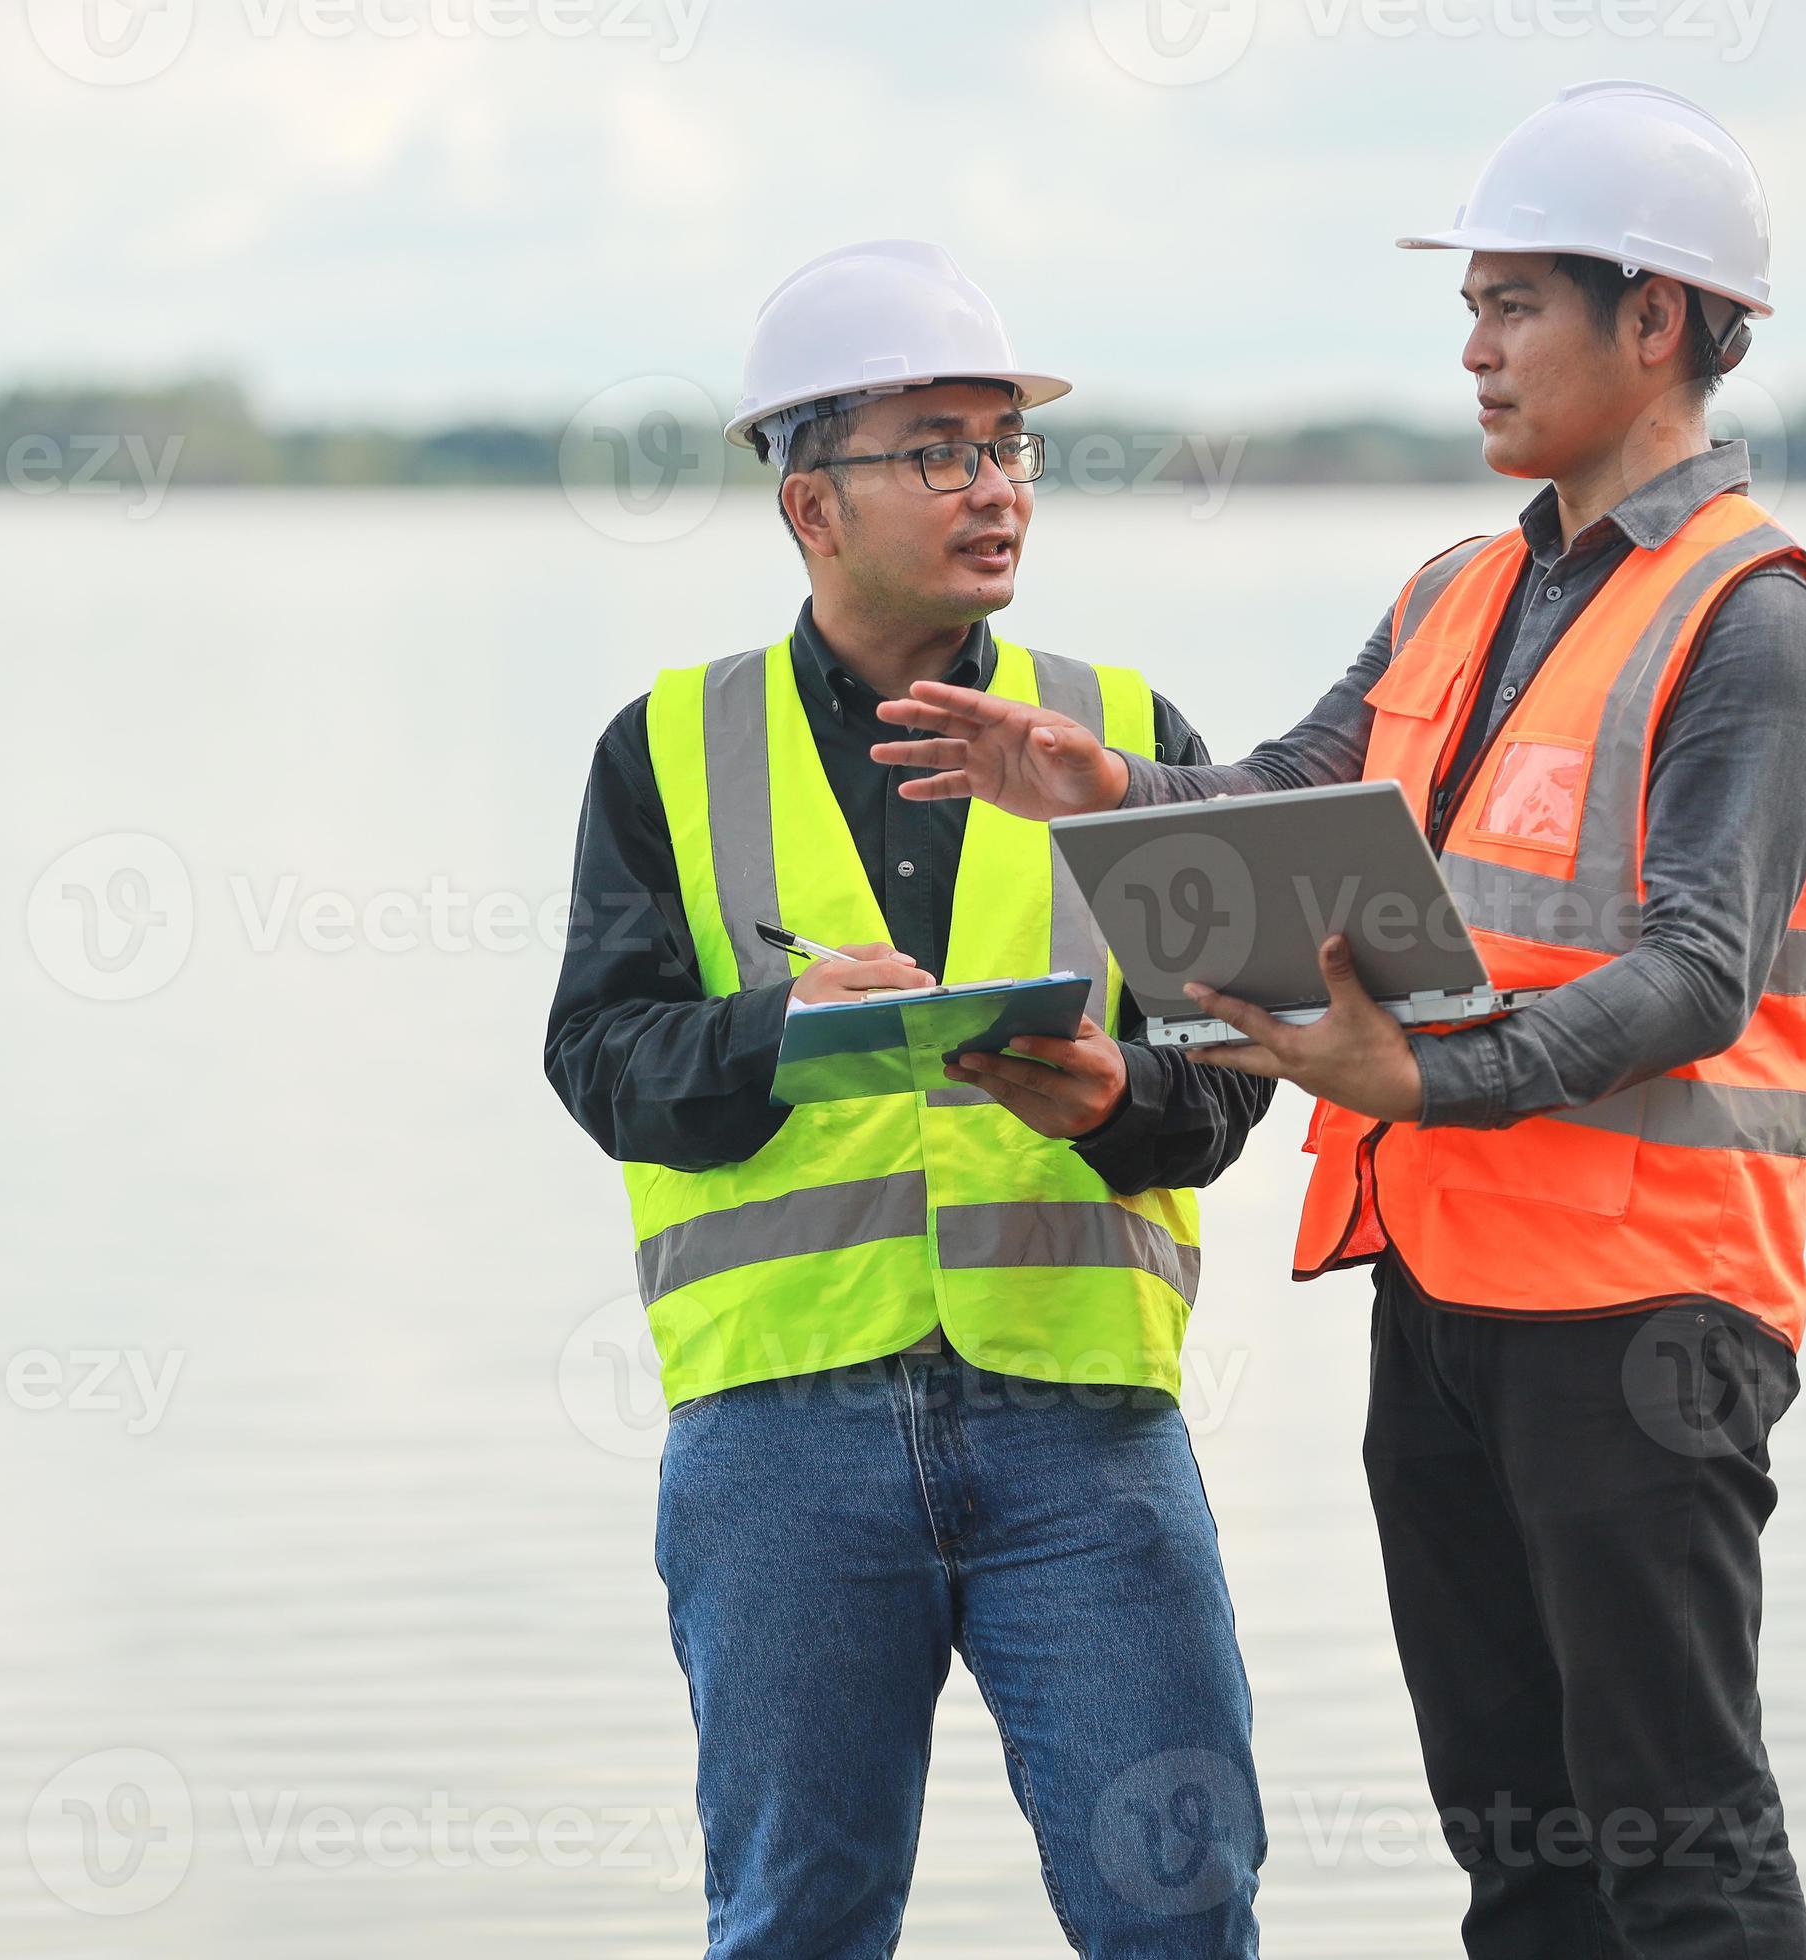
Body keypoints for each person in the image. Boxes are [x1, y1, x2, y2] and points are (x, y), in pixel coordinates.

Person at [870, 87, 1806, 1960]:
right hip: (1444, 1293)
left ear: (1656, 321)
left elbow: (1697, 970)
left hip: (1650, 1319)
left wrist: (1429, 1072)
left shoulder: (1758, 623)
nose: (1476, 347)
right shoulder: (1462, 586)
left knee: (1677, 1841)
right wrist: (1090, 791)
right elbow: (1289, 797)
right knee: (1514, 1848)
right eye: (1472, 305)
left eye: (1515, 304)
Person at [543, 239, 1275, 1956]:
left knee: (1182, 1915)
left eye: (1010, 448)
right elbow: (602, 1062)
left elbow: (1238, 1083)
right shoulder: (661, 747)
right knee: (796, 1924)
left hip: (1090, 1433)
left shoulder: (1126, 727)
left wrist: (1110, 1099)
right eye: (939, 450)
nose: (995, 490)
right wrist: (781, 1031)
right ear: (811, 504)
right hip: (780, 1435)